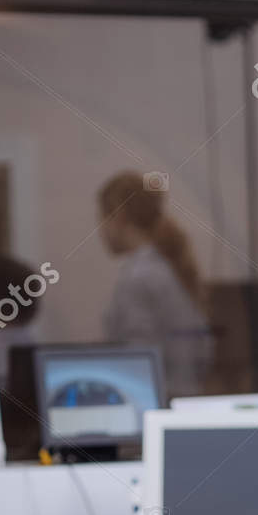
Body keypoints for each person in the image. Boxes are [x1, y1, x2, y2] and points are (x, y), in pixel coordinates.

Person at [96, 171, 212, 399]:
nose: (100, 231)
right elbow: (203, 352)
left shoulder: (137, 278)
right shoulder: (171, 268)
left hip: (154, 402)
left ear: (118, 216)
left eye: (101, 219)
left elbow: (137, 361)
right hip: (185, 399)